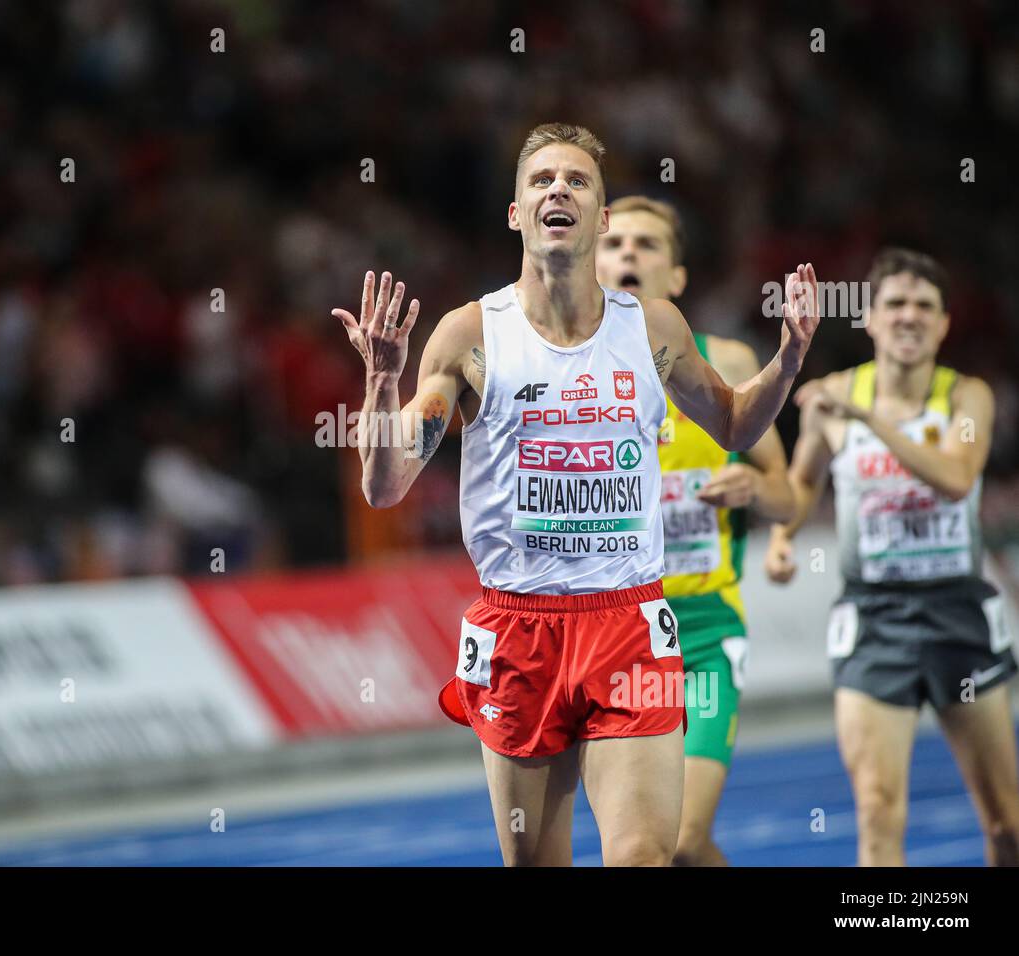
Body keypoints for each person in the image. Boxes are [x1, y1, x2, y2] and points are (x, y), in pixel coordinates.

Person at [333, 122, 820, 866]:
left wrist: (786, 363)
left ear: (599, 217)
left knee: (646, 855)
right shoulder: (470, 334)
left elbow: (731, 425)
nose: (558, 189)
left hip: (627, 621)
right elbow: (384, 483)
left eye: (578, 181)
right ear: (515, 212)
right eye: (540, 181)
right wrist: (381, 380)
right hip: (520, 630)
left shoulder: (652, 326)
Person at [765, 247, 1019, 866]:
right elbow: (803, 486)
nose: (910, 317)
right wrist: (781, 535)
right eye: (896, 304)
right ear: (871, 319)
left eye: (925, 307)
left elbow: (958, 479)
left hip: (958, 611)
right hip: (874, 617)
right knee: (878, 807)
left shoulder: (966, 398)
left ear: (944, 324)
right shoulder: (835, 400)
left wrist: (869, 419)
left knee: (1008, 825)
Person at [595, 196, 794, 865]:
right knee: (655, 847)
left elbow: (789, 498)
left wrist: (754, 487)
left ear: (677, 278)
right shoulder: (561, 371)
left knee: (677, 838)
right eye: (615, 242)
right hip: (614, 633)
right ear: (592, 261)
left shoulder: (726, 361)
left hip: (703, 631)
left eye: (647, 245)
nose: (628, 255)